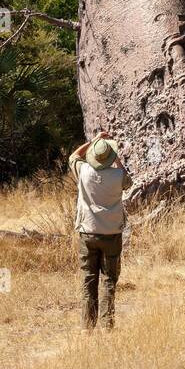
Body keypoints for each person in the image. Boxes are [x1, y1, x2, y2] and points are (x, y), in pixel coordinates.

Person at [68, 130, 132, 331]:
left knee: (89, 279)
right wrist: (117, 158)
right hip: (112, 233)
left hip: (88, 232)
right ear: (111, 157)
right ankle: (107, 325)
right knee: (109, 280)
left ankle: (87, 326)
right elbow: (128, 182)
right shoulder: (117, 176)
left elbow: (73, 157)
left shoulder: (84, 172)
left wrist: (94, 141)